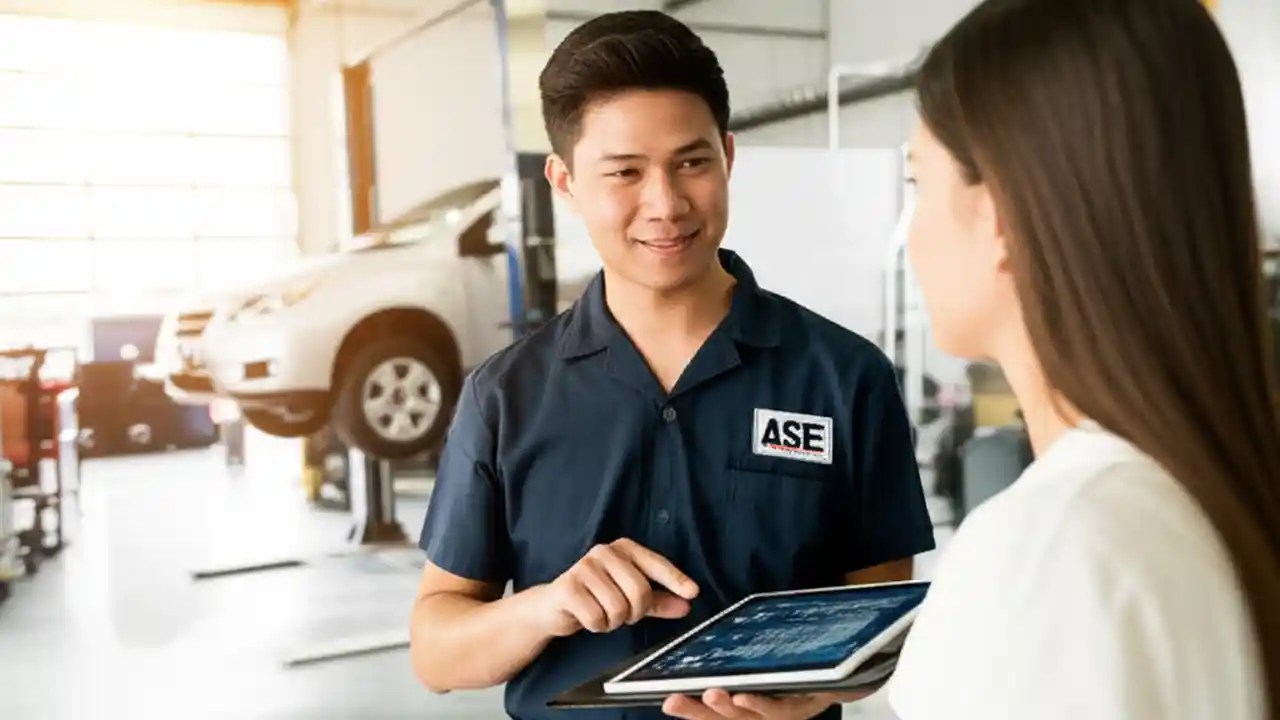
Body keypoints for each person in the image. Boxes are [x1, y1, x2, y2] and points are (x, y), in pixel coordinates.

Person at [408, 10, 935, 720]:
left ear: (728, 155)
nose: (665, 204)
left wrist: (811, 699)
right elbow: (436, 650)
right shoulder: (505, 397)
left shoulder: (844, 378)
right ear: (563, 181)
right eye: (624, 172)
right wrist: (543, 608)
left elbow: (878, 627)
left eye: (692, 163)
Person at [885, 0, 1280, 718]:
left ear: (999, 213)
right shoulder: (1185, 503)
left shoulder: (1055, 544)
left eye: (919, 185)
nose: (908, 234)